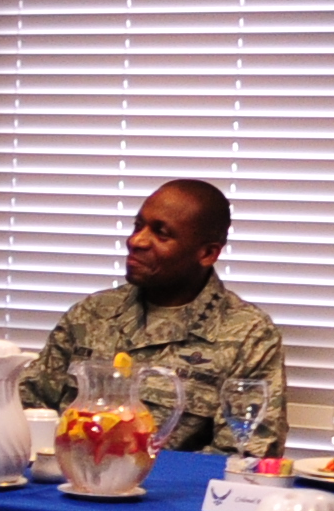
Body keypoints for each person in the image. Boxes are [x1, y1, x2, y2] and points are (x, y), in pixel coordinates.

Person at [16, 178, 289, 456]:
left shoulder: (248, 334)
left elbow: (245, 455)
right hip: (66, 487)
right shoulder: (92, 314)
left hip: (173, 495)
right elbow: (25, 407)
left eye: (161, 234)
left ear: (207, 253)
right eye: (138, 226)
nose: (136, 241)